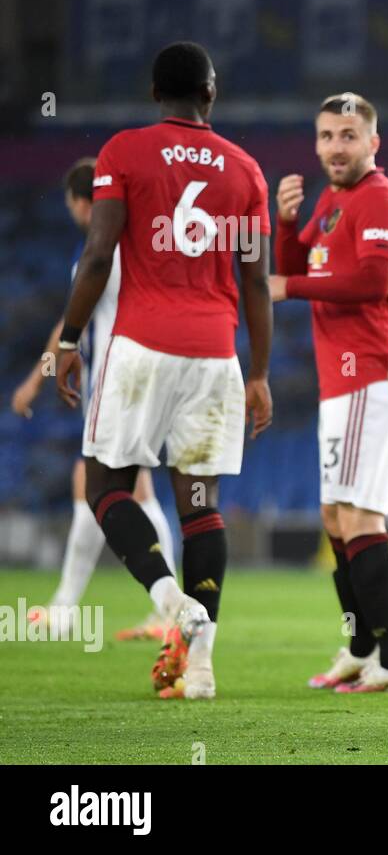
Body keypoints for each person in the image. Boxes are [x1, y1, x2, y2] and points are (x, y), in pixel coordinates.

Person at [54, 41, 274, 700]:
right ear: (211, 95)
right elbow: (257, 281)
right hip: (213, 354)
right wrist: (258, 372)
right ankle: (200, 668)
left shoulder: (123, 152)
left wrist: (67, 339)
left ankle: (168, 596)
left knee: (104, 487)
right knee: (201, 508)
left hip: (141, 348)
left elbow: (97, 257)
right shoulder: (245, 171)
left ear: (155, 94)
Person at [272, 93, 388, 693]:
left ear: (372, 143)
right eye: (327, 135)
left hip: (368, 376)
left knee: (358, 516)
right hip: (340, 382)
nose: (336, 146)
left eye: (348, 136)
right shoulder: (333, 200)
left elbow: (373, 277)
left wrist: (292, 284)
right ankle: (361, 645)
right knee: (336, 515)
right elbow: (297, 261)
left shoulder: (380, 196)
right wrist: (285, 225)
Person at [14, 158, 176, 641]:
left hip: (117, 384)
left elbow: (70, 326)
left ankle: (81, 608)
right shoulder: (138, 245)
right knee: (127, 487)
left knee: (99, 483)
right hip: (141, 381)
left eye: (70, 204)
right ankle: (157, 606)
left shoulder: (102, 250)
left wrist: (36, 381)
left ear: (85, 204)